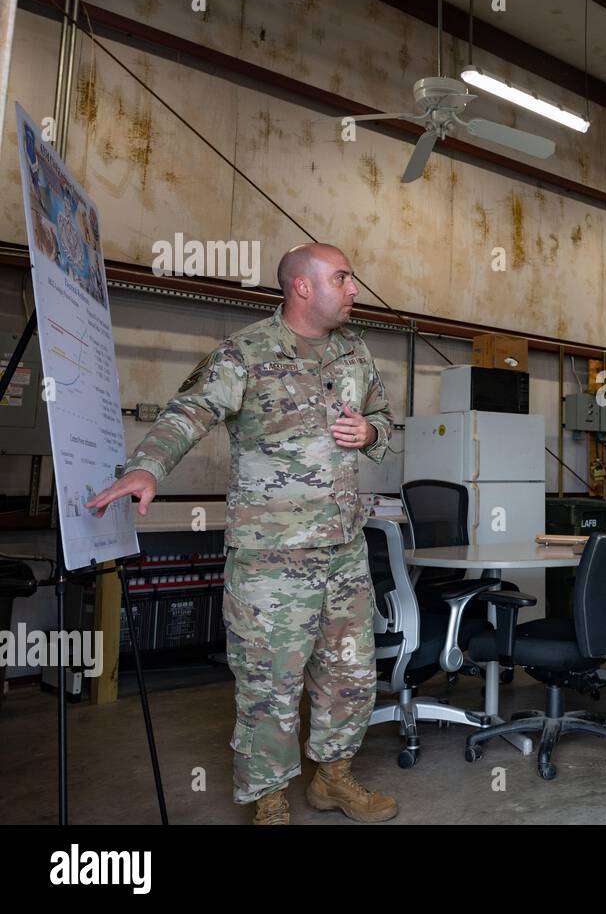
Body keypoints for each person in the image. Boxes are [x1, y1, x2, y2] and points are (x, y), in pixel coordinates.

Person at [88, 243, 399, 825]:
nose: (355, 288)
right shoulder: (246, 354)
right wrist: (147, 467)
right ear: (302, 287)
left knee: (350, 674)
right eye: (343, 277)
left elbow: (385, 420)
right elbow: (188, 412)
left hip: (344, 551)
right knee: (269, 684)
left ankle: (333, 778)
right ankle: (269, 798)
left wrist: (370, 430)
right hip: (270, 561)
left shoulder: (356, 352)